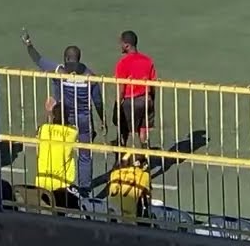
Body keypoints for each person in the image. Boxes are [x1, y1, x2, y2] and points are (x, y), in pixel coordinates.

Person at [21, 29, 104, 192]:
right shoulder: (90, 76)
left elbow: (38, 60)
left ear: (66, 58)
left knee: (61, 150)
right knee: (85, 155)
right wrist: (103, 120)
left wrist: (29, 44)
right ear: (79, 58)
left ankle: (59, 182)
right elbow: (98, 102)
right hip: (84, 120)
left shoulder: (59, 71)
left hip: (64, 118)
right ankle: (85, 190)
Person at [113, 30, 156, 148]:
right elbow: (152, 84)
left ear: (127, 45)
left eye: (121, 44)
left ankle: (124, 154)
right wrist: (152, 99)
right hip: (146, 99)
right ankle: (145, 154)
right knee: (143, 130)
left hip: (131, 102)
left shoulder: (123, 63)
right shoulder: (148, 60)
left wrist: (117, 104)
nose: (120, 46)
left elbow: (121, 88)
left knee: (124, 130)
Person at [34, 96, 78, 195]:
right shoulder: (72, 133)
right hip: (62, 185)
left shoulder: (43, 130)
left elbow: (40, 128)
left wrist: (49, 112)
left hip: (42, 181)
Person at [106, 153, 151, 219]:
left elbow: (118, 164)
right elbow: (147, 196)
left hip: (112, 212)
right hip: (128, 215)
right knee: (143, 200)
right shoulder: (144, 176)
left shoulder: (115, 173)